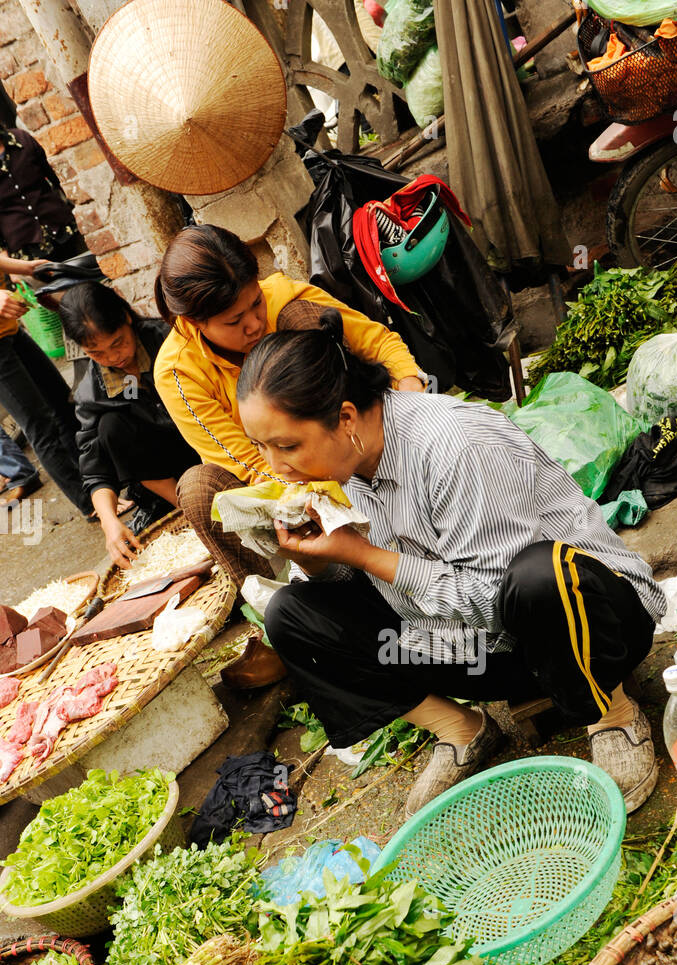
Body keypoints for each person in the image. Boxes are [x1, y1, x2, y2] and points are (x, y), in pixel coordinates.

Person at [236, 309, 667, 816]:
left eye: (287, 445)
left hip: (588, 627)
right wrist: (318, 561)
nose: (275, 465)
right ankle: (462, 730)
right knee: (291, 613)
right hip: (478, 651)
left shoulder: (453, 446)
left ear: (346, 418)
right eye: (261, 446)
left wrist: (365, 554)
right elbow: (368, 585)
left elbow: (499, 598)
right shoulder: (344, 465)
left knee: (537, 577)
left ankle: (612, 713)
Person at [153, 223, 425, 688]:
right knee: (198, 489)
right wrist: (307, 486)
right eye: (234, 322)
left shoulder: (284, 300)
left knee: (307, 319)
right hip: (283, 478)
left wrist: (416, 399)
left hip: (352, 443)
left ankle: (394, 537)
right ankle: (287, 622)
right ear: (194, 324)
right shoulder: (177, 370)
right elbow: (244, 460)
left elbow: (379, 343)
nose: (255, 323)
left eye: (254, 303)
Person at [57, 281, 198, 567]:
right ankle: (189, 509)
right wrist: (109, 523)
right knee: (111, 426)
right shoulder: (94, 392)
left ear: (127, 317)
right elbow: (95, 468)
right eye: (96, 353)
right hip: (167, 474)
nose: (112, 358)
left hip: (207, 444)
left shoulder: (171, 341)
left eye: (117, 342)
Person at [0, 248, 88, 515]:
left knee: (64, 404)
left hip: (10, 330)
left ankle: (99, 483)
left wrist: (26, 268)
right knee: (41, 425)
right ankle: (89, 503)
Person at [0, 125, 85, 263]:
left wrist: (80, 209)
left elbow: (57, 178)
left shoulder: (21, 138)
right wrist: (9, 266)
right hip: (27, 252)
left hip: (65, 229)